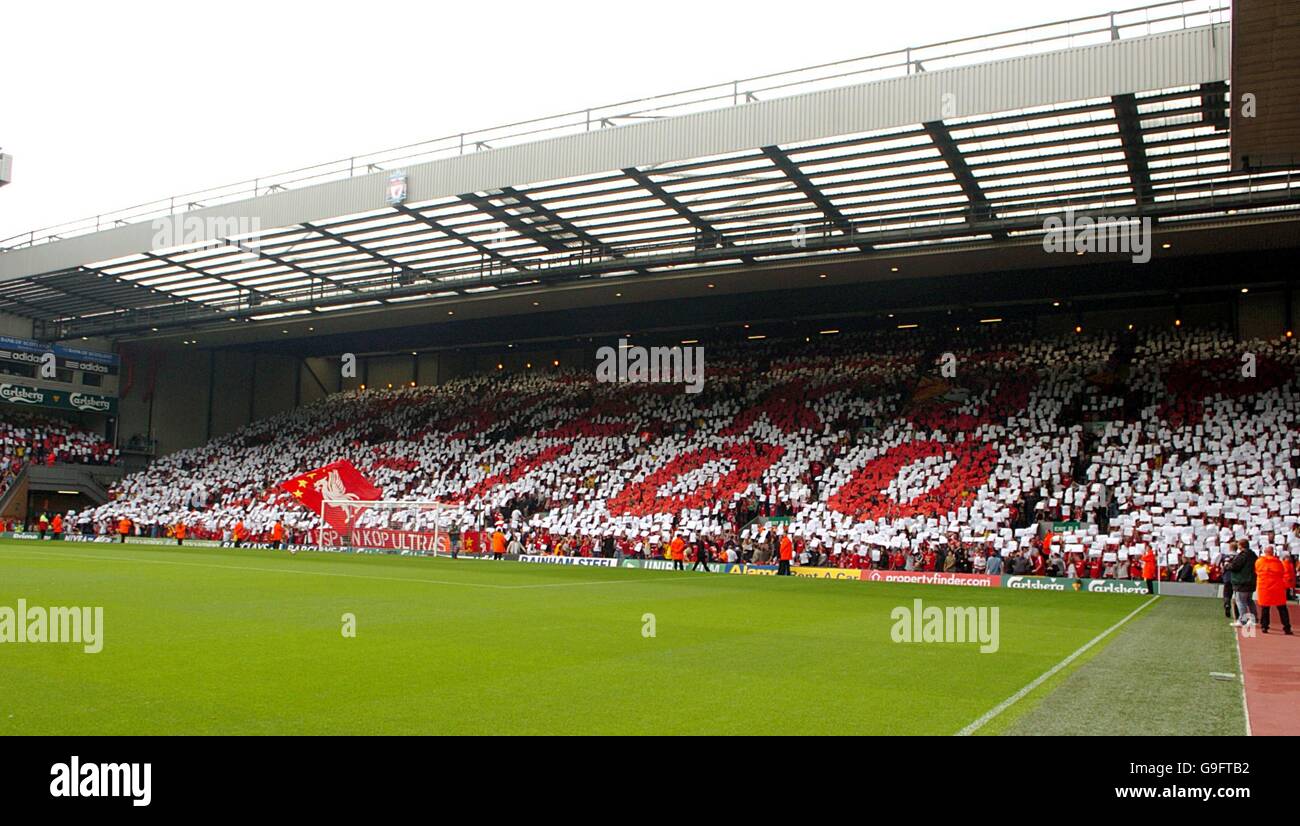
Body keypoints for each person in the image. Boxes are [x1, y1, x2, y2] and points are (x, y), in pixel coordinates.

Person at [1254, 547, 1292, 635]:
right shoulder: (1278, 562)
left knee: (1265, 608)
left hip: (1264, 587)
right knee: (1282, 608)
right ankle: (1287, 627)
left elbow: (1256, 571)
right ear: (1273, 552)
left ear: (1264, 552)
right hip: (1277, 588)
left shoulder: (1259, 562)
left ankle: (1264, 626)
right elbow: (1282, 572)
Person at [1228, 543, 1258, 627]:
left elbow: (1235, 567)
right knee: (1249, 600)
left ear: (1241, 546)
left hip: (1241, 581)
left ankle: (1242, 620)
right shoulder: (1253, 555)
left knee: (1240, 601)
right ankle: (1254, 619)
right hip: (1251, 581)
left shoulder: (1242, 556)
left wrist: (1228, 566)